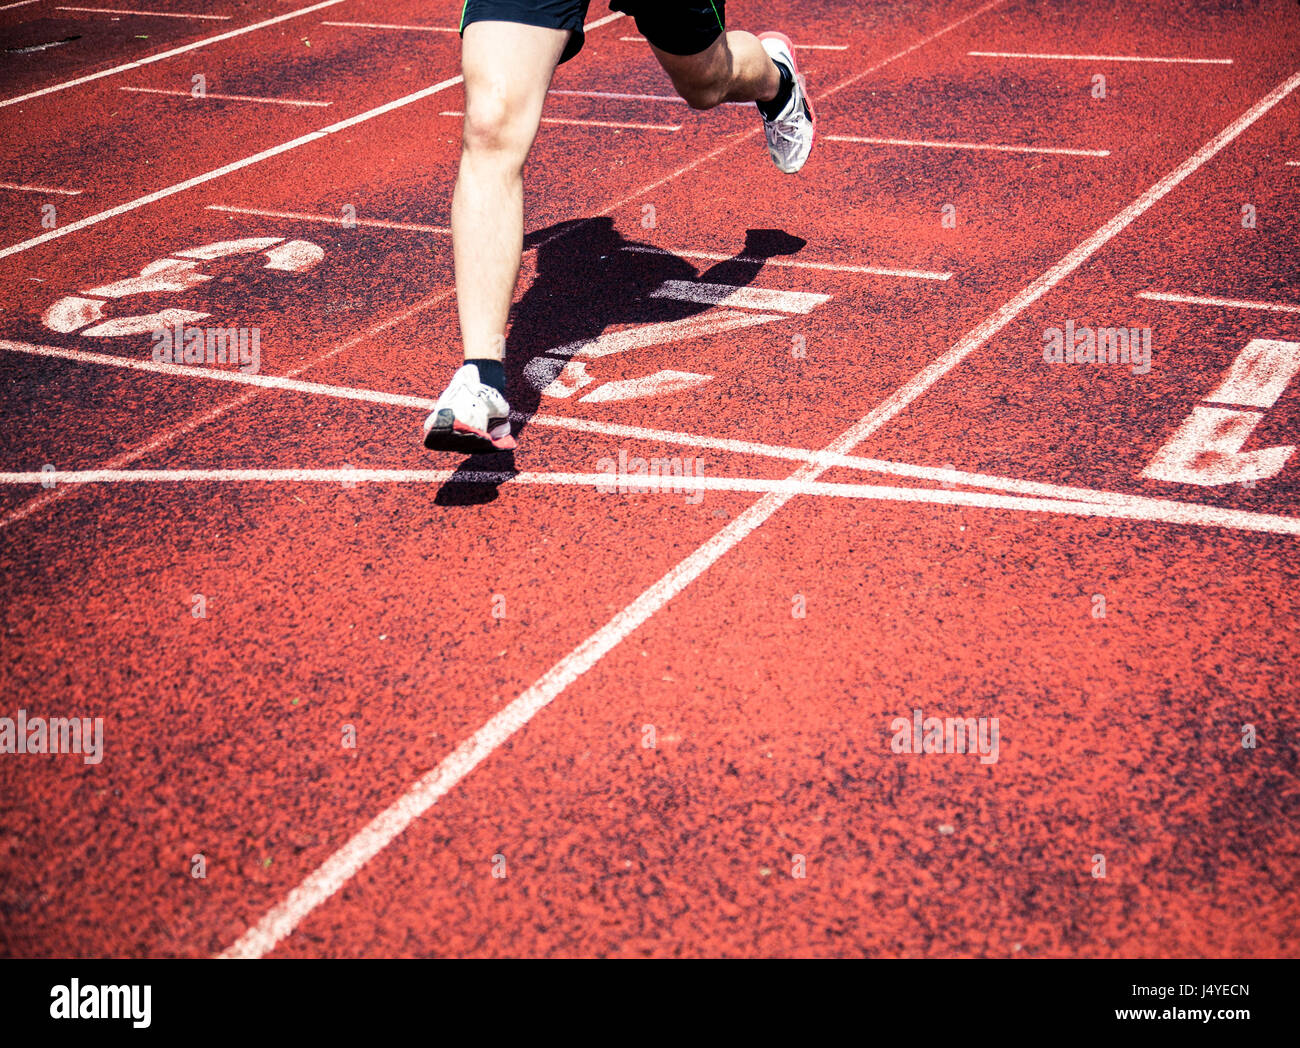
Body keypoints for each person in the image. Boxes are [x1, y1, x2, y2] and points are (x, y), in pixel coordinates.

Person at [422, 1, 816, 454]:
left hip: (651, 288)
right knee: (490, 122)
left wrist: (755, 255)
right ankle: (481, 381)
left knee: (706, 80)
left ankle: (778, 82)